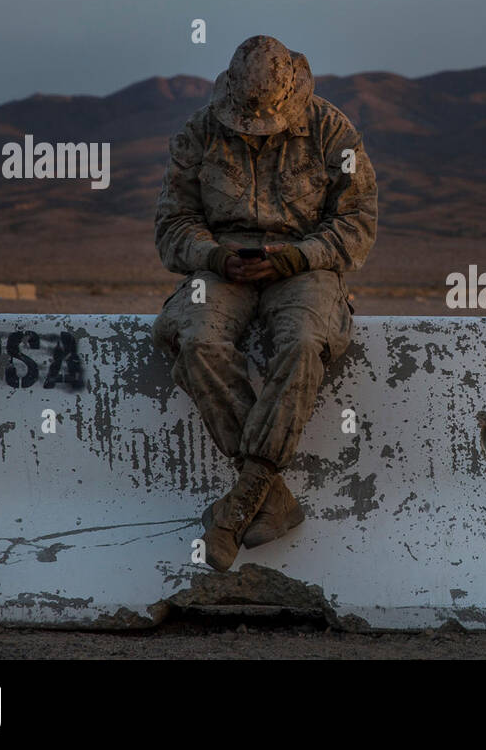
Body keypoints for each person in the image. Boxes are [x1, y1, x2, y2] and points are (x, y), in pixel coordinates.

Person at [152, 35, 377, 571]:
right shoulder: (199, 133)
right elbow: (171, 225)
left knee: (304, 342)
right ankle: (270, 497)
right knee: (196, 338)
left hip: (305, 267)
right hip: (221, 268)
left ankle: (235, 509)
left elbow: (358, 223)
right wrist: (214, 256)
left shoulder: (333, 131)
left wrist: (296, 258)